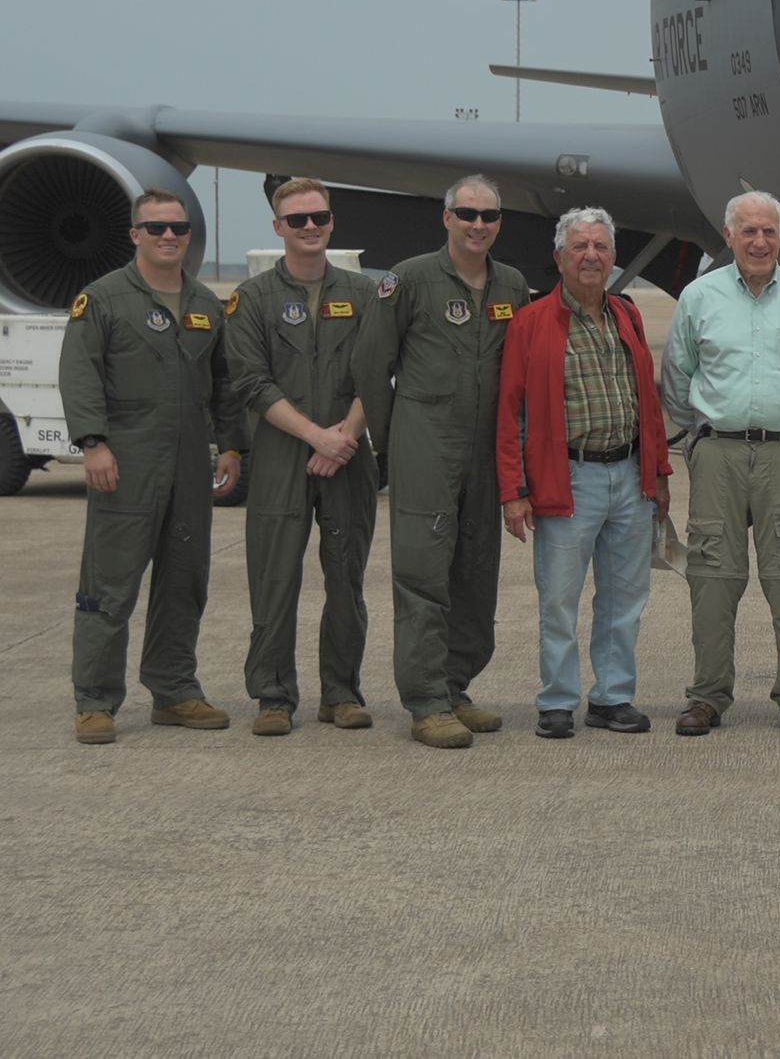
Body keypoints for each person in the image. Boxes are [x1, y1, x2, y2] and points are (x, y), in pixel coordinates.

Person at [659, 191, 780, 737]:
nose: (760, 241)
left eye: (768, 231)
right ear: (730, 237)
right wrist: (700, 438)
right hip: (717, 452)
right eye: (749, 232)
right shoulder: (699, 298)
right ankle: (707, 696)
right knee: (713, 574)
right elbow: (676, 377)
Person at [63, 187, 243, 744]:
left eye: (179, 228)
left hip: (191, 461)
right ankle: (95, 700)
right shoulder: (104, 299)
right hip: (126, 458)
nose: (170, 236)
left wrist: (233, 447)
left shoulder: (207, 305)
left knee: (185, 580)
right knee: (110, 582)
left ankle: (174, 691)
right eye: (157, 227)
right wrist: (93, 443)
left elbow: (224, 384)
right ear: (135, 234)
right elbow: (80, 373)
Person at [355, 174, 528, 748]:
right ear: (446, 217)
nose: (479, 224)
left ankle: (456, 687)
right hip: (425, 439)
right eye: (467, 213)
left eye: (489, 215)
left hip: (487, 448)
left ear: (500, 222)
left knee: (476, 572)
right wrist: (392, 441)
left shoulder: (513, 285)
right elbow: (371, 365)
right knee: (423, 574)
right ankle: (426, 700)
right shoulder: (408, 279)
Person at [498, 207, 674, 740]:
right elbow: (510, 412)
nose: (591, 256)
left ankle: (612, 697)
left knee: (625, 597)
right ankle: (557, 701)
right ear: (559, 257)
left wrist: (660, 473)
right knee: (558, 599)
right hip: (567, 481)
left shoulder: (626, 314)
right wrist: (514, 491)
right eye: (579, 247)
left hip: (628, 476)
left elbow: (648, 399)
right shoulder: (531, 322)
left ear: (614, 257)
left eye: (600, 247)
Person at [223, 178, 380, 736]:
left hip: (350, 455)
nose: (309, 227)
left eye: (318, 217)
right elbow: (250, 381)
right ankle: (272, 696)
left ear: (332, 222)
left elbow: (379, 372)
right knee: (273, 577)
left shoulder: (364, 294)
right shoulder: (254, 298)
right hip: (281, 458)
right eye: (297, 220)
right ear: (277, 227)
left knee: (346, 580)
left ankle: (341, 693)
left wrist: (345, 438)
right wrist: (317, 436)